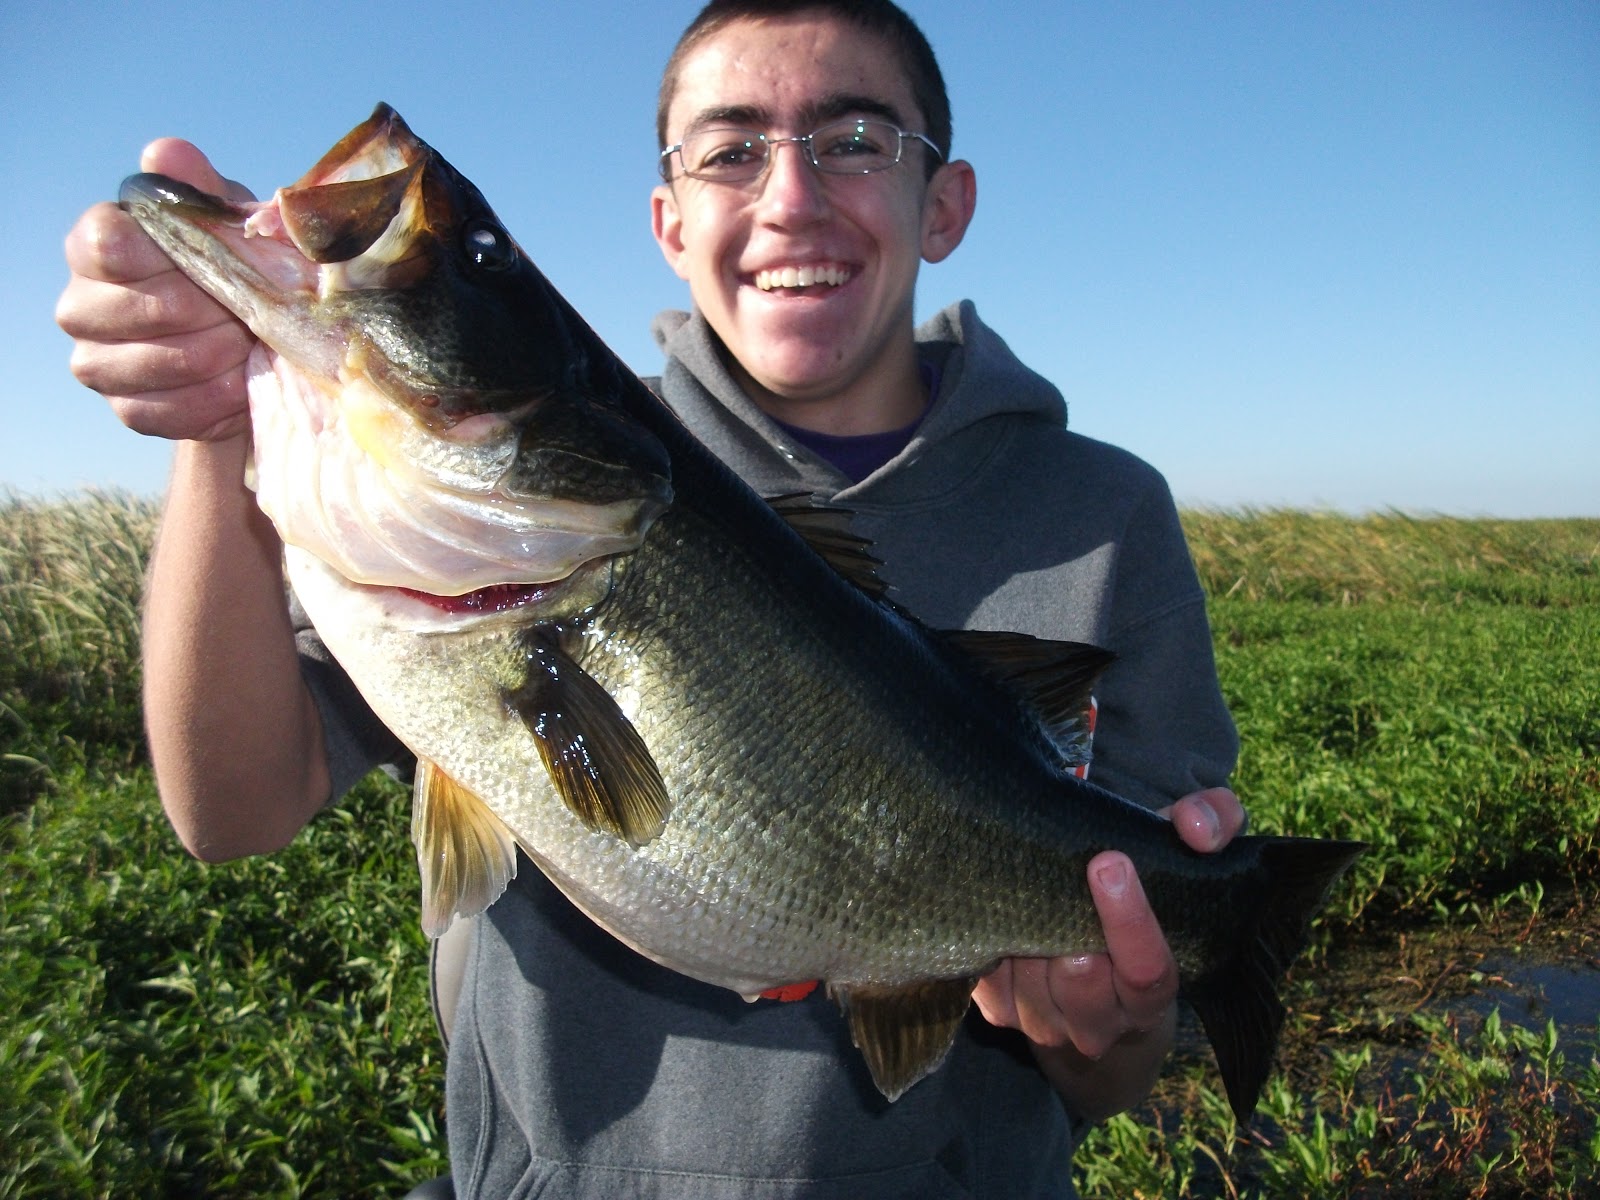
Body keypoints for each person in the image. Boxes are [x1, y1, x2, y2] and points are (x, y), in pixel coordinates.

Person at [57, 1, 1246, 1195]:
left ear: (944, 202)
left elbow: (1111, 1077)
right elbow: (232, 813)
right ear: (668, 223)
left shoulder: (1103, 514)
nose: (790, 198)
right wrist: (216, 435)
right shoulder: (441, 532)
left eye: (854, 140)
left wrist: (1106, 1016)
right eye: (730, 150)